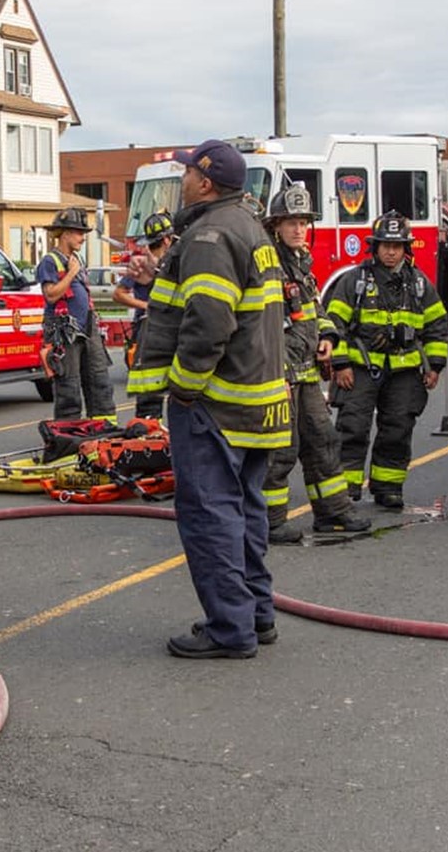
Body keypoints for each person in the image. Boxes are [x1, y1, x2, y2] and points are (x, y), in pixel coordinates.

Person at [128, 139, 291, 659]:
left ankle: (229, 629)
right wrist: (157, 280)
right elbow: (216, 300)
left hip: (216, 406)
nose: (181, 181)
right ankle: (256, 615)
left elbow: (210, 320)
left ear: (205, 180)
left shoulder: (209, 235)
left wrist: (185, 385)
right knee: (244, 510)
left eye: (186, 174)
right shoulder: (246, 227)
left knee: (210, 516)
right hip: (255, 401)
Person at [260, 184, 372, 544]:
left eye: (304, 222)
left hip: (306, 372)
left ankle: (333, 513)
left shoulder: (300, 262)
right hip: (280, 374)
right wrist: (278, 374)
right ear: (275, 224)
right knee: (282, 449)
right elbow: (263, 326)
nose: (298, 229)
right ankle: (269, 521)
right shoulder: (267, 265)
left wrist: (328, 338)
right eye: (291, 222)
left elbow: (315, 311)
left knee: (323, 440)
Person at [323, 210, 448, 510]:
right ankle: (346, 489)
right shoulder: (354, 282)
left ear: (406, 249)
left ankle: (388, 486)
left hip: (405, 372)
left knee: (398, 428)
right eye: (385, 246)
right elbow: (332, 324)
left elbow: (437, 327)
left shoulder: (419, 284)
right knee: (352, 427)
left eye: (397, 246)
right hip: (360, 370)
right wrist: (340, 365)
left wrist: (434, 367)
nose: (391, 252)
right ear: (375, 247)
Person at [36, 206, 116, 422]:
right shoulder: (50, 261)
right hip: (63, 330)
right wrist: (71, 273)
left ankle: (103, 430)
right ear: (65, 233)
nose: (83, 238)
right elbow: (51, 295)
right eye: (79, 233)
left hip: (88, 328)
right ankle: (69, 436)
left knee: (99, 380)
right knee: (68, 386)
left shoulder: (76, 260)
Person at [114, 212, 176, 421]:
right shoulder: (141, 265)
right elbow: (119, 294)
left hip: (169, 328)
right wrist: (148, 306)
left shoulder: (173, 262)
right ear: (167, 239)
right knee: (151, 390)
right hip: (148, 328)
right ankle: (149, 429)